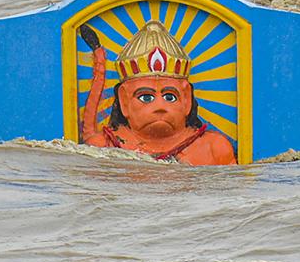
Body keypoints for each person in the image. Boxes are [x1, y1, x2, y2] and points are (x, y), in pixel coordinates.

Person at [79, 20, 237, 165]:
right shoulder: (102, 148)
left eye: (170, 97)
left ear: (187, 99)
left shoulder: (214, 148)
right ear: (124, 101)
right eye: (146, 97)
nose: (160, 106)